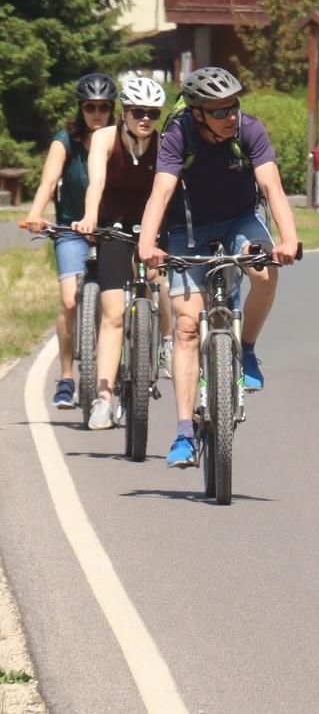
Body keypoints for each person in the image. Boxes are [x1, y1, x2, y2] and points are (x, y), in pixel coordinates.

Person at [136, 67, 300, 469]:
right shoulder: (178, 135)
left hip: (240, 220)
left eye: (233, 106)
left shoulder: (250, 131)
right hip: (187, 230)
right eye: (219, 111)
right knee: (187, 326)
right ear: (197, 114)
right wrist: (146, 243)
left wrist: (289, 239)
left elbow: (271, 188)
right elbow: (162, 191)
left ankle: (246, 351)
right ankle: (183, 434)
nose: (230, 116)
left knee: (264, 273)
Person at [74, 74, 169, 430]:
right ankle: (104, 396)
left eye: (152, 113)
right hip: (113, 223)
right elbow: (96, 182)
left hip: (151, 226)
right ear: (124, 113)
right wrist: (89, 218)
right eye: (138, 111)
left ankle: (169, 344)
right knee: (113, 311)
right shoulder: (104, 139)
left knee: (160, 285)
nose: (145, 119)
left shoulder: (164, 144)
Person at [20, 74, 116, 410]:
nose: (97, 113)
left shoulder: (119, 139)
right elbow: (48, 182)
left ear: (112, 109)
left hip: (110, 230)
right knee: (70, 301)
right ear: (80, 108)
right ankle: (66, 377)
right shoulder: (66, 140)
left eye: (103, 107)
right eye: (90, 107)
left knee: (113, 303)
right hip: (70, 229)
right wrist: (35, 212)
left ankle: (111, 375)